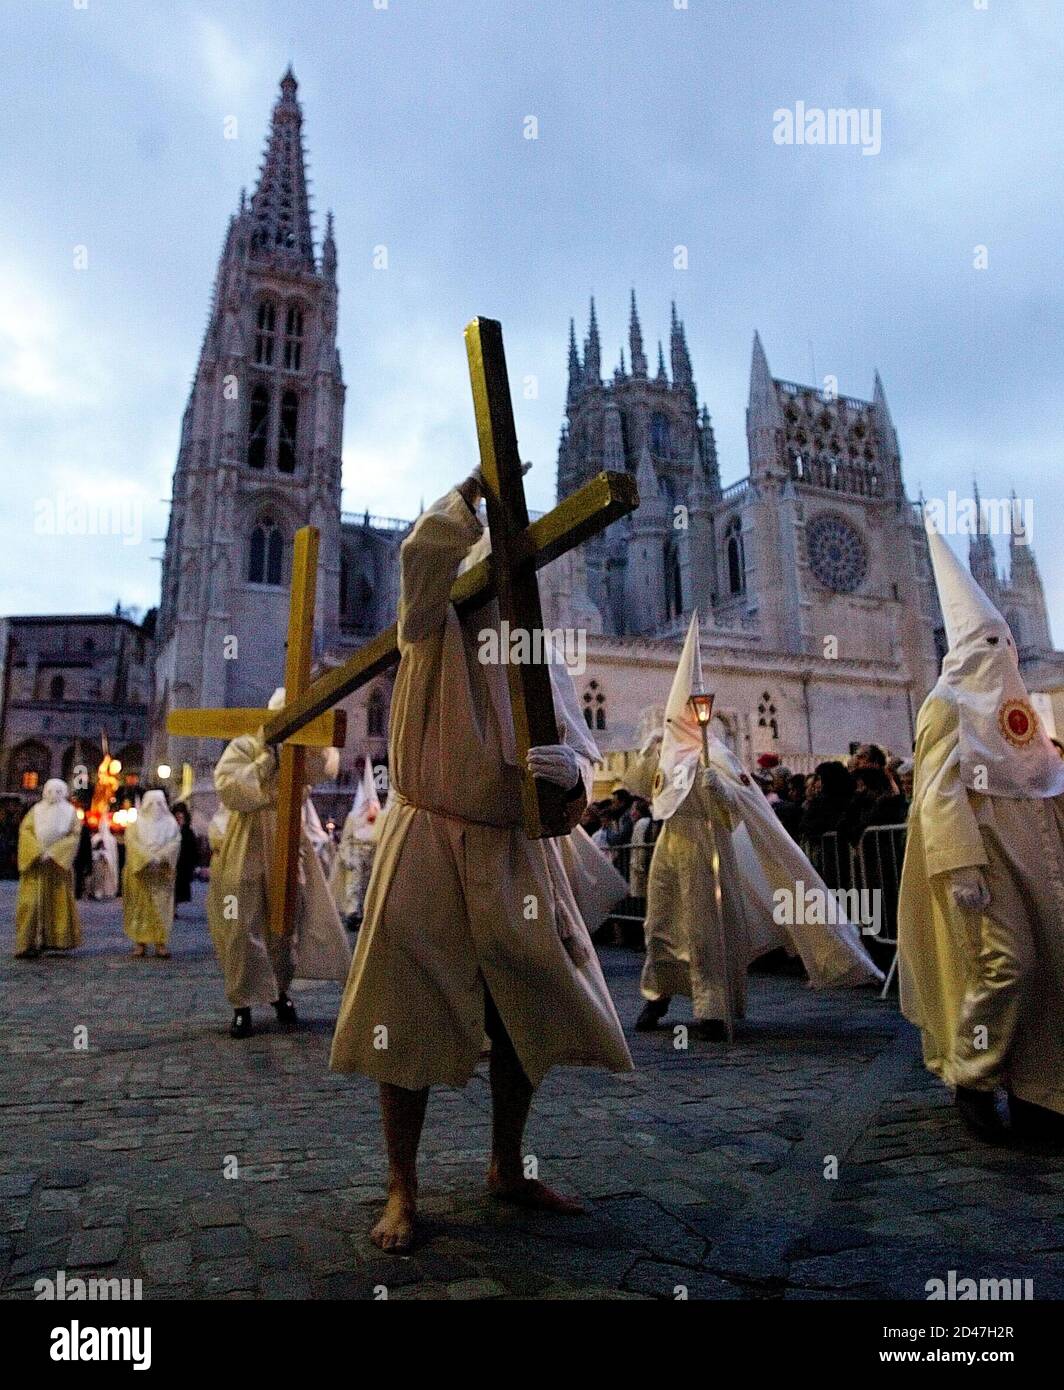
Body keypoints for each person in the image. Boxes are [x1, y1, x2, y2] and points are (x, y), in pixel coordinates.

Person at [329, 471, 632, 1253]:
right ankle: (403, 1187)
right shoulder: (429, 623)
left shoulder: (532, 641)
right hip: (429, 840)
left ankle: (506, 1162)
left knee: (526, 1004)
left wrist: (571, 774)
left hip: (511, 847)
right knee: (409, 1015)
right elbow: (421, 555)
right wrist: (470, 494)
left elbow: (575, 744)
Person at [638, 615, 882, 1037]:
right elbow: (652, 795)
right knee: (660, 925)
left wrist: (723, 791)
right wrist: (646, 758)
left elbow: (740, 809)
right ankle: (657, 995)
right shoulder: (665, 753)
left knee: (706, 927)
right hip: (670, 845)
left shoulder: (718, 755)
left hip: (706, 846)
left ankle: (714, 1008)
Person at [899, 520, 1064, 1143]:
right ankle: (973, 1072)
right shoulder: (946, 704)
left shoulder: (1019, 708)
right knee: (1007, 965)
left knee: (1052, 967)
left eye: (1006, 639)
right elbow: (937, 792)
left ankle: (1041, 1092)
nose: (1001, 649)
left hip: (1041, 862)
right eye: (987, 639)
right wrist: (959, 864)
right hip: (985, 862)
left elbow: (1046, 782)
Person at [207, 689, 353, 1039]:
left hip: (289, 834)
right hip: (249, 835)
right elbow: (228, 786)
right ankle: (243, 1002)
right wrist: (266, 759)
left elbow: (326, 769)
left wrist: (313, 740)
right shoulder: (245, 745)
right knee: (244, 920)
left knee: (287, 918)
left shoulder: (304, 750)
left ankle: (280, 992)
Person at [14, 779, 82, 958]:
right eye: (51, 790)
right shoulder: (36, 811)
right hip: (36, 865)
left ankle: (57, 940)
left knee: (57, 903)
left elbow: (74, 835)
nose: (54, 794)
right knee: (31, 903)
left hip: (57, 867)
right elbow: (26, 831)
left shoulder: (70, 812)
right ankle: (27, 942)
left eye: (58, 791)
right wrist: (36, 851)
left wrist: (55, 853)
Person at [123, 790, 181, 959]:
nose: (155, 807)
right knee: (140, 909)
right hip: (141, 873)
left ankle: (160, 942)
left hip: (161, 874)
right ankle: (140, 942)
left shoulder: (171, 824)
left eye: (159, 803)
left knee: (161, 909)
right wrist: (147, 858)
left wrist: (161, 857)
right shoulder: (136, 824)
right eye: (151, 803)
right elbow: (132, 842)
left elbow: (175, 842)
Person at [330, 757, 384, 929]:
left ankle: (368, 912)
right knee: (354, 884)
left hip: (373, 854)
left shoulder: (381, 819)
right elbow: (346, 838)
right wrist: (346, 855)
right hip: (356, 854)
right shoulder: (353, 818)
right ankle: (353, 913)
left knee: (370, 885)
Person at [172, 801, 199, 909]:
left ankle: (175, 907)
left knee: (179, 887)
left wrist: (194, 864)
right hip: (173, 862)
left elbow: (192, 849)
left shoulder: (188, 831)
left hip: (183, 864)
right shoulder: (170, 830)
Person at [89, 816, 119, 901]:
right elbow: (92, 850)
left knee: (107, 878)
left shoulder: (112, 839)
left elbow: (113, 854)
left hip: (108, 863)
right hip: (98, 862)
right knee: (98, 877)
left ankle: (109, 891)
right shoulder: (95, 838)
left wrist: (107, 856)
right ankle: (97, 891)